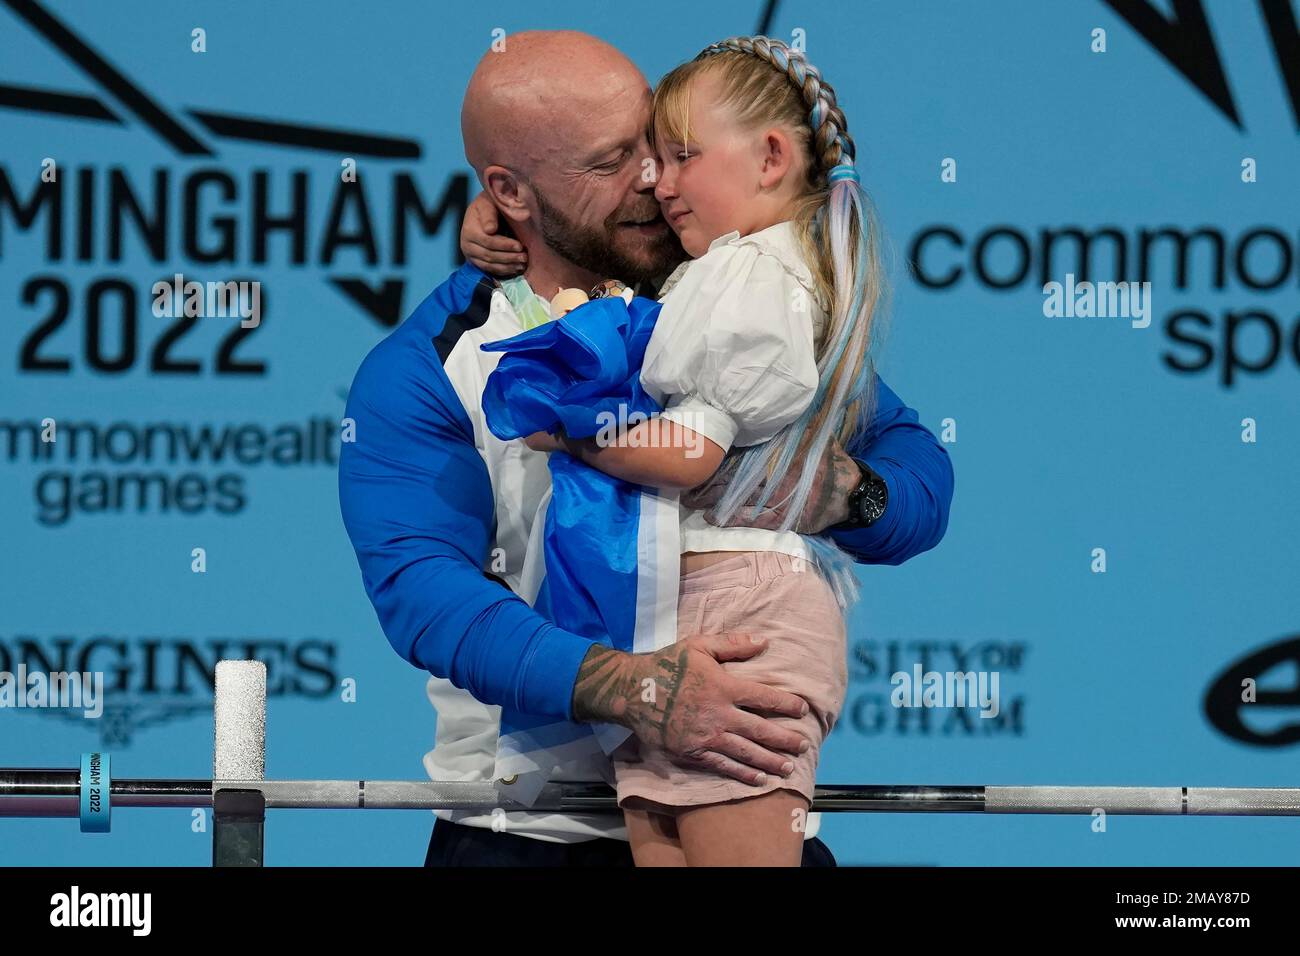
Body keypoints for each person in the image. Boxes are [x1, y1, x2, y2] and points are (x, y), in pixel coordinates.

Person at [338, 30, 954, 867]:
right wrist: (628, 687)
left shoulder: (726, 303)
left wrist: (848, 495)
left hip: (736, 810)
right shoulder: (424, 369)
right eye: (610, 163)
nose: (654, 180)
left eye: (659, 146)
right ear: (508, 192)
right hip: (528, 841)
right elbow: (426, 595)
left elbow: (918, 477)